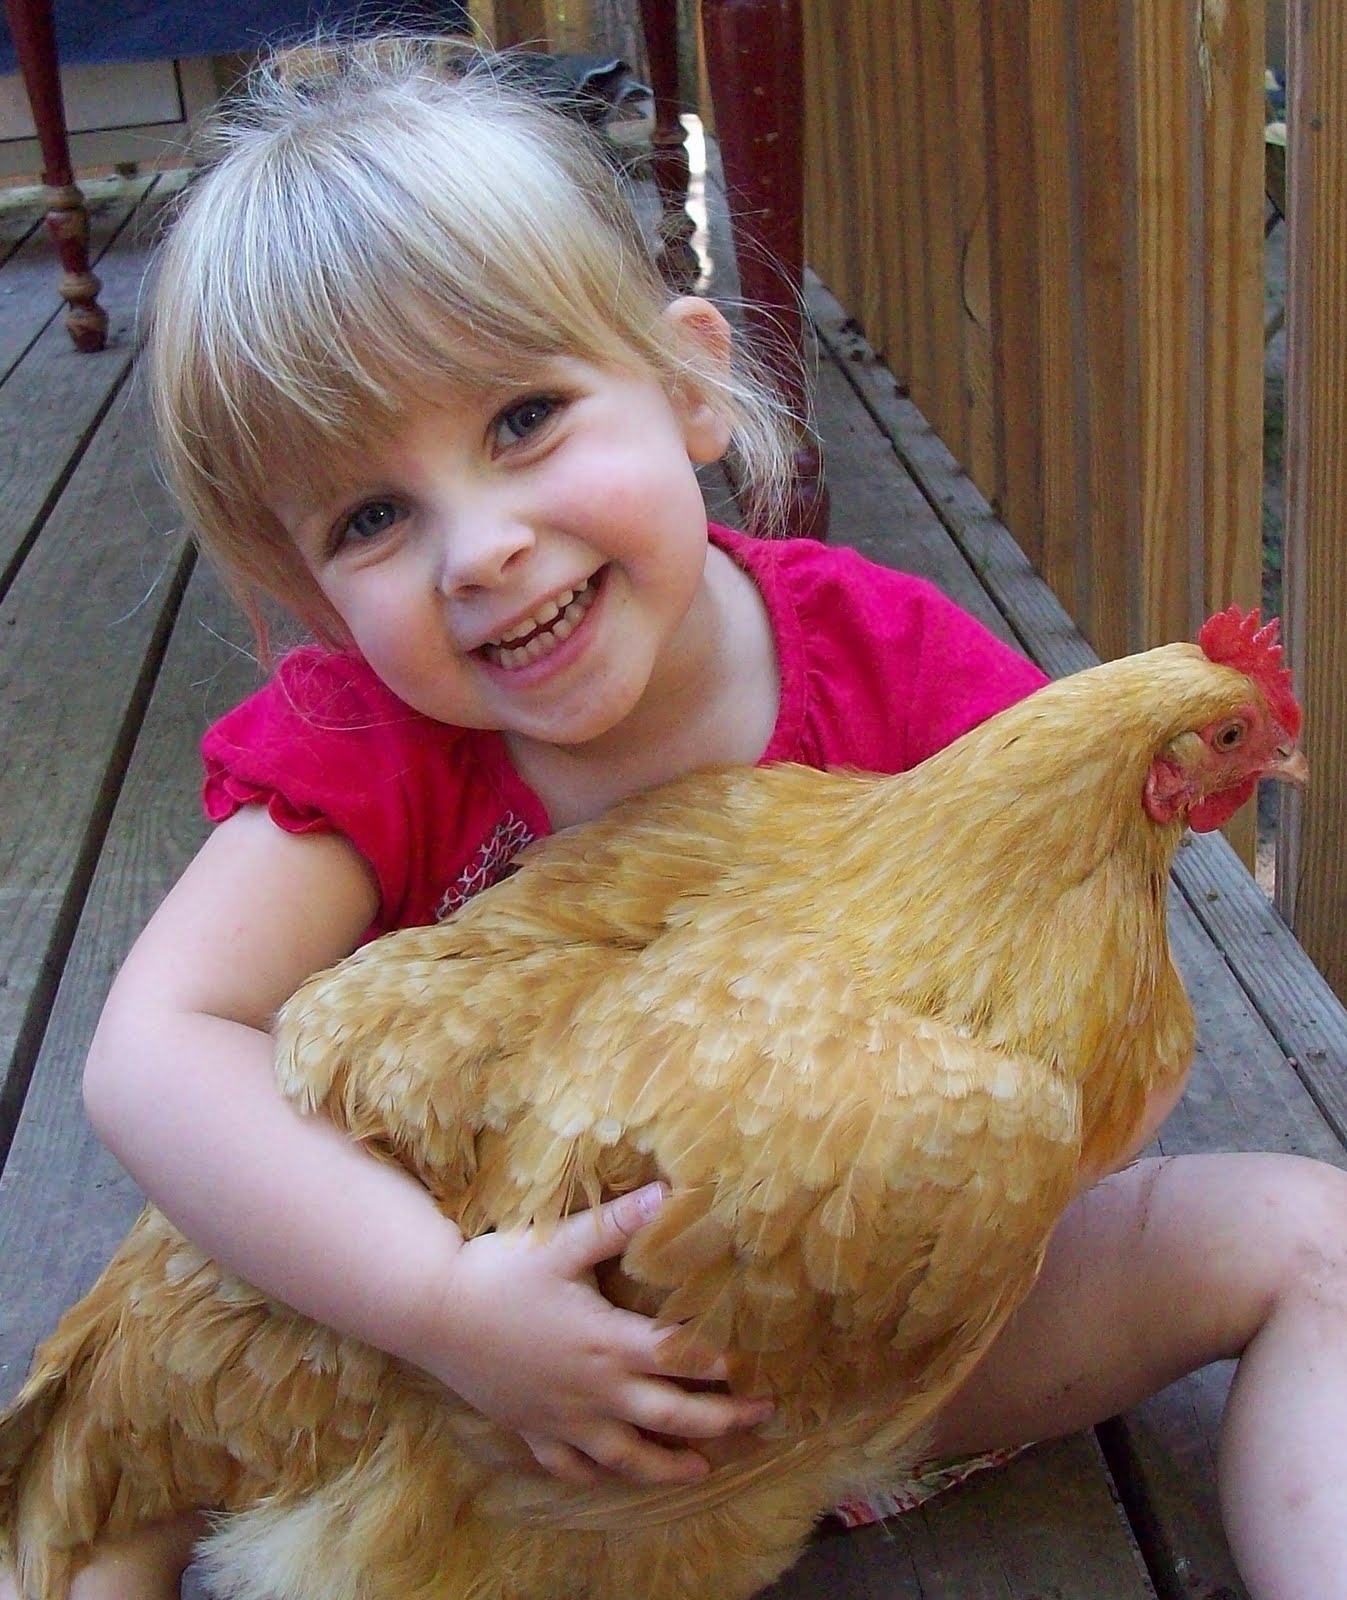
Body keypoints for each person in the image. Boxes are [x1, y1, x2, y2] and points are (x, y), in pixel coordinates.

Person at [6, 32, 1346, 1600]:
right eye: (373, 517)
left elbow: (1052, 960)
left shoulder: (880, 654)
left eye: (521, 421)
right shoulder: (371, 752)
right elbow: (155, 1052)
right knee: (107, 1512)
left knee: (1312, 1239)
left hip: (867, 1374)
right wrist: (443, 1303)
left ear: (693, 383)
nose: (484, 548)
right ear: (311, 599)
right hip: (509, 1423)